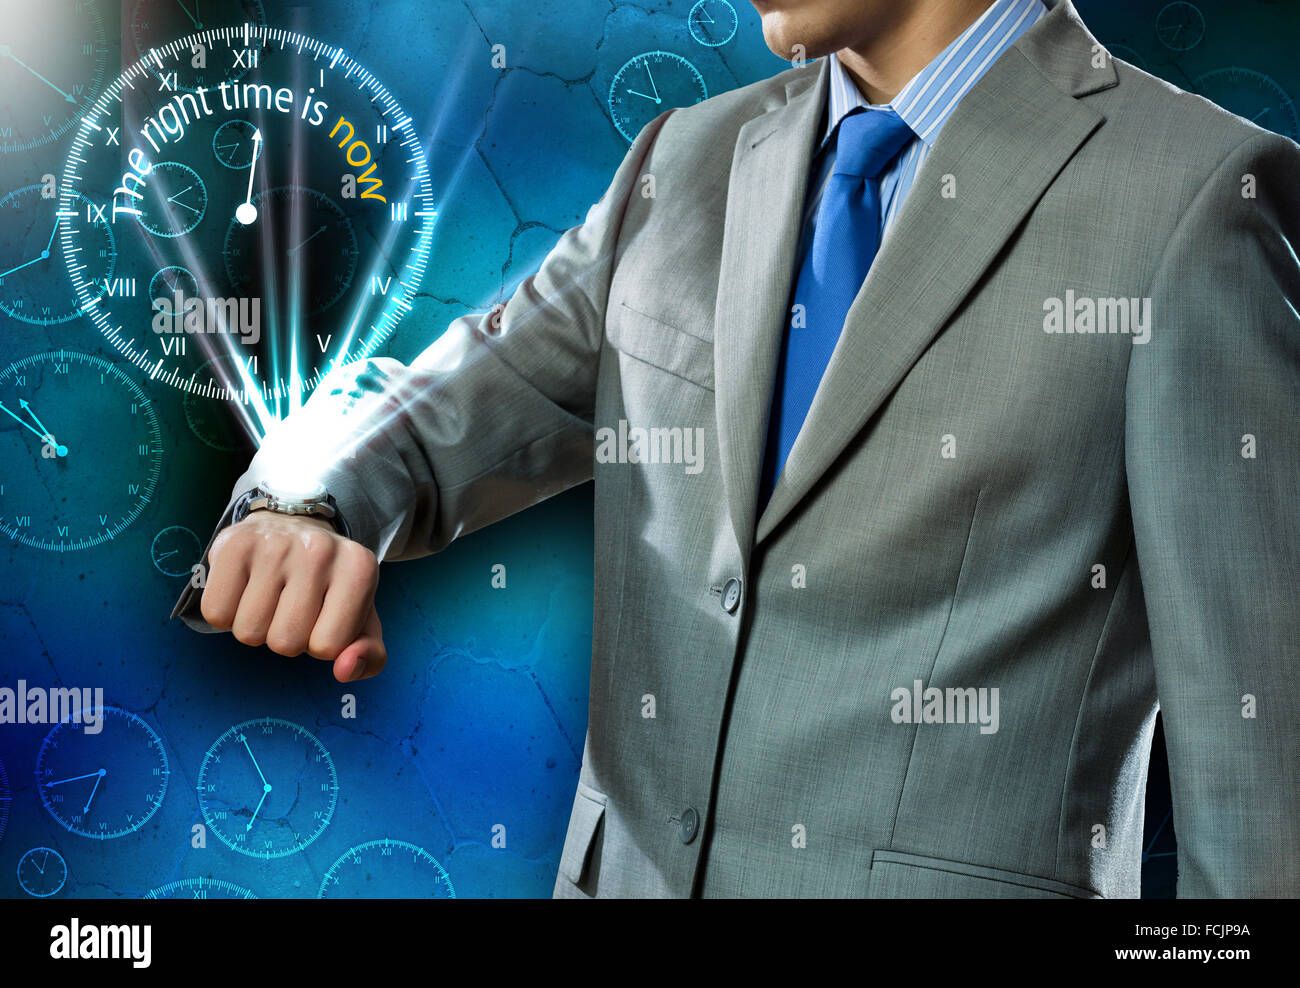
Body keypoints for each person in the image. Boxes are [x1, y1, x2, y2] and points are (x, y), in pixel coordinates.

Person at [173, 0, 1300, 898]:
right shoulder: (686, 158)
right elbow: (430, 404)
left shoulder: (1191, 199)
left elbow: (1263, 794)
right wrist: (301, 502)